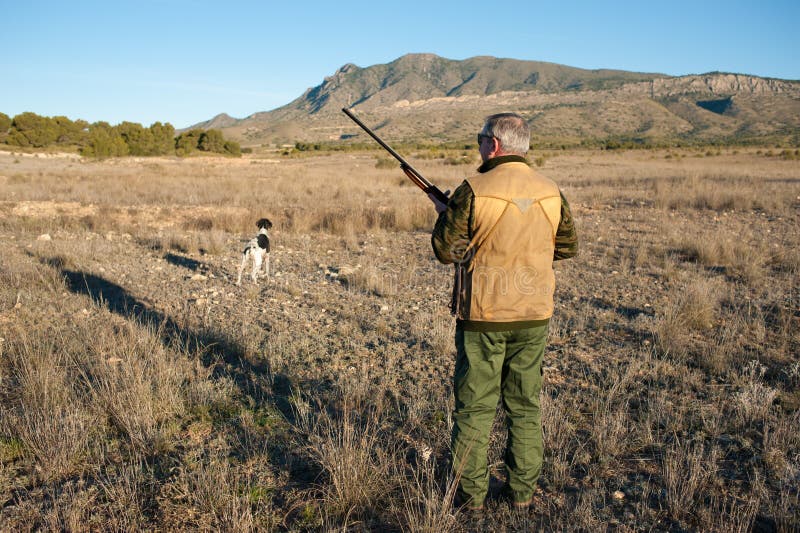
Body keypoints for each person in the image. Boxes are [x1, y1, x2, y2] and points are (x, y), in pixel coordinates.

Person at [429, 112, 578, 511]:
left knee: (475, 409)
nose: (478, 145)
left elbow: (447, 251)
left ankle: (472, 498)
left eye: (480, 139)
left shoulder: (473, 190)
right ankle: (522, 495)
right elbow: (567, 247)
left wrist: (446, 216)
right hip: (534, 315)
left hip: (483, 316)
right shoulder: (551, 191)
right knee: (525, 407)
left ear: (493, 145)